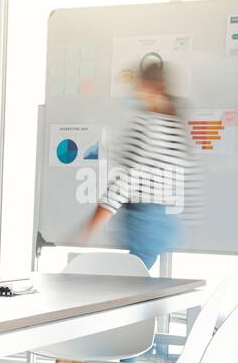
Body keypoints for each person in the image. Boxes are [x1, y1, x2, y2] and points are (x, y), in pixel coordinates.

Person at [80, 58, 201, 268]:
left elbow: (126, 179)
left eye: (139, 85)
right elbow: (186, 174)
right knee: (136, 281)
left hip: (143, 219)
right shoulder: (176, 122)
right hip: (161, 220)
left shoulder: (146, 123)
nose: (136, 91)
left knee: (129, 284)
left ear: (152, 87)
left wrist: (92, 223)